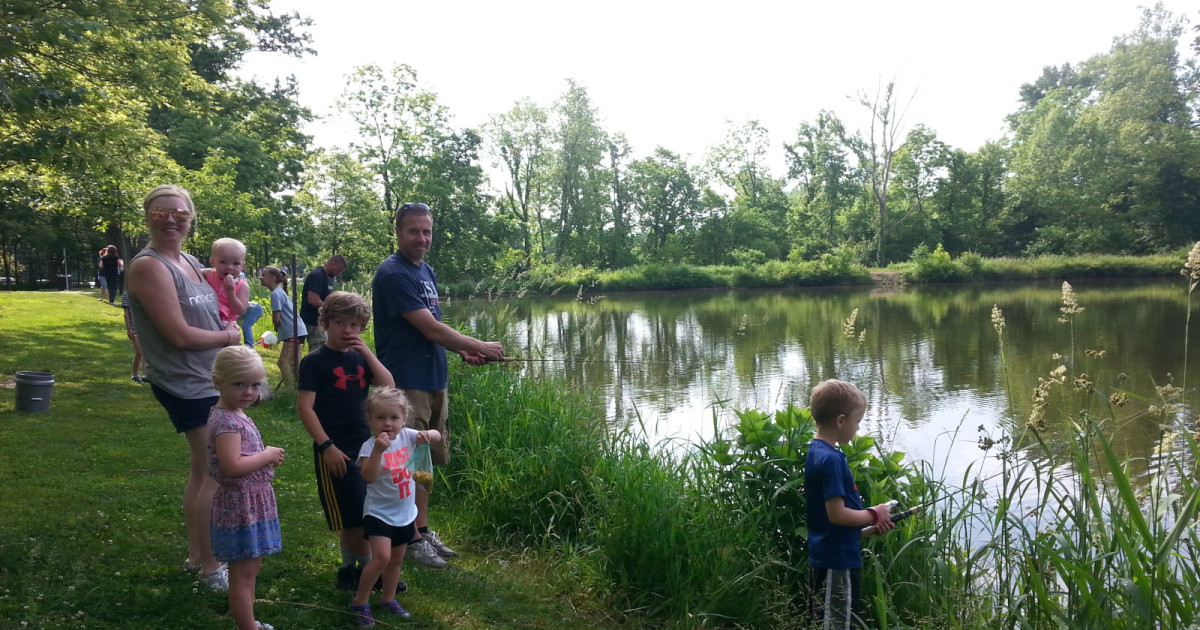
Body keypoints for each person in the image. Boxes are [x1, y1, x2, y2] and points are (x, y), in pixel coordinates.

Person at [371, 202, 504, 568]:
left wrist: (463, 352)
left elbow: (433, 328)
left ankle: (422, 530)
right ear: (398, 232)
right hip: (407, 382)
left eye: (426, 231)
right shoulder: (394, 273)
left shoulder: (424, 270)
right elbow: (429, 328)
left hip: (433, 378)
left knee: (425, 460)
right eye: (414, 231)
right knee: (407, 463)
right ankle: (409, 539)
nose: (421, 238)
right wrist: (479, 344)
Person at [126, 184, 243, 591]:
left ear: (191, 218)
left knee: (202, 470)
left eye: (179, 212)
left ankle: (198, 556)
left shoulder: (190, 261)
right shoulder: (149, 266)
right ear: (147, 217)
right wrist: (230, 338)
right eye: (160, 213)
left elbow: (211, 315)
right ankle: (212, 567)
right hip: (186, 383)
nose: (171, 219)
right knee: (215, 471)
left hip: (208, 376)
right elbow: (177, 334)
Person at [297, 291, 394, 592]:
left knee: (357, 511)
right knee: (354, 517)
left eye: (354, 324)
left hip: (363, 446)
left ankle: (347, 569)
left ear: (362, 327)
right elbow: (305, 408)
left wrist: (366, 353)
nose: (346, 330)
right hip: (334, 449)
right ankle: (370, 573)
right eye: (339, 322)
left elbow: (388, 385)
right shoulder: (314, 362)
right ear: (325, 322)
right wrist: (327, 447)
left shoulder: (360, 358)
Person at [805, 379, 895, 628]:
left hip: (829, 555)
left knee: (829, 621)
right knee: (837, 624)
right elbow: (837, 515)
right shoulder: (831, 460)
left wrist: (866, 530)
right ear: (841, 420)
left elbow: (829, 523)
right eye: (857, 422)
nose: (857, 428)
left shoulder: (817, 451)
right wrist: (874, 513)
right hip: (836, 562)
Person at [208, 346, 285, 630]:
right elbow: (231, 466)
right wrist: (265, 454)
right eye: (239, 384)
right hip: (240, 506)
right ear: (218, 382)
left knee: (250, 569)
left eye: (255, 385)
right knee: (242, 574)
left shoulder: (235, 414)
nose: (249, 392)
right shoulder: (227, 421)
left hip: (251, 502)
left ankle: (248, 620)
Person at [350, 386, 441, 626]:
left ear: (403, 419)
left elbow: (437, 435)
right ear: (370, 420)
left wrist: (428, 436)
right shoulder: (370, 447)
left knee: (396, 560)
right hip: (378, 514)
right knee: (380, 557)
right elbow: (368, 477)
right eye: (380, 418)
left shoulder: (408, 436)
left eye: (394, 418)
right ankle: (360, 600)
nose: (387, 423)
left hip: (404, 513)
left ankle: (388, 599)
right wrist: (380, 450)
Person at [259, 266, 306, 387]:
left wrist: (276, 327)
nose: (261, 277)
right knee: (294, 363)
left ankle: (290, 389)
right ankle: (298, 387)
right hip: (298, 330)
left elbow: (276, 318)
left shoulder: (276, 294)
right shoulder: (279, 292)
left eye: (264, 275)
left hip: (293, 331)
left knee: (283, 362)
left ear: (273, 278)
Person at [202, 237, 251, 332]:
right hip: (205, 318)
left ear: (242, 266)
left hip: (225, 324)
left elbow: (240, 310)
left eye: (236, 263)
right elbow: (189, 274)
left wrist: (230, 292)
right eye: (223, 262)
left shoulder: (242, 286)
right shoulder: (208, 274)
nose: (229, 267)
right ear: (213, 262)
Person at [301, 255, 347, 351]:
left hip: (321, 321)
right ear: (332, 264)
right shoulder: (318, 275)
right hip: (313, 321)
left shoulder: (328, 277)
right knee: (319, 347)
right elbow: (313, 299)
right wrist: (332, 309)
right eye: (338, 270)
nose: (338, 274)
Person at [121, 292, 147, 384]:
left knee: (146, 352)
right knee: (139, 352)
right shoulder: (126, 295)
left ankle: (145, 375)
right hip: (134, 328)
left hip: (144, 327)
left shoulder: (143, 293)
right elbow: (126, 314)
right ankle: (135, 375)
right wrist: (129, 329)